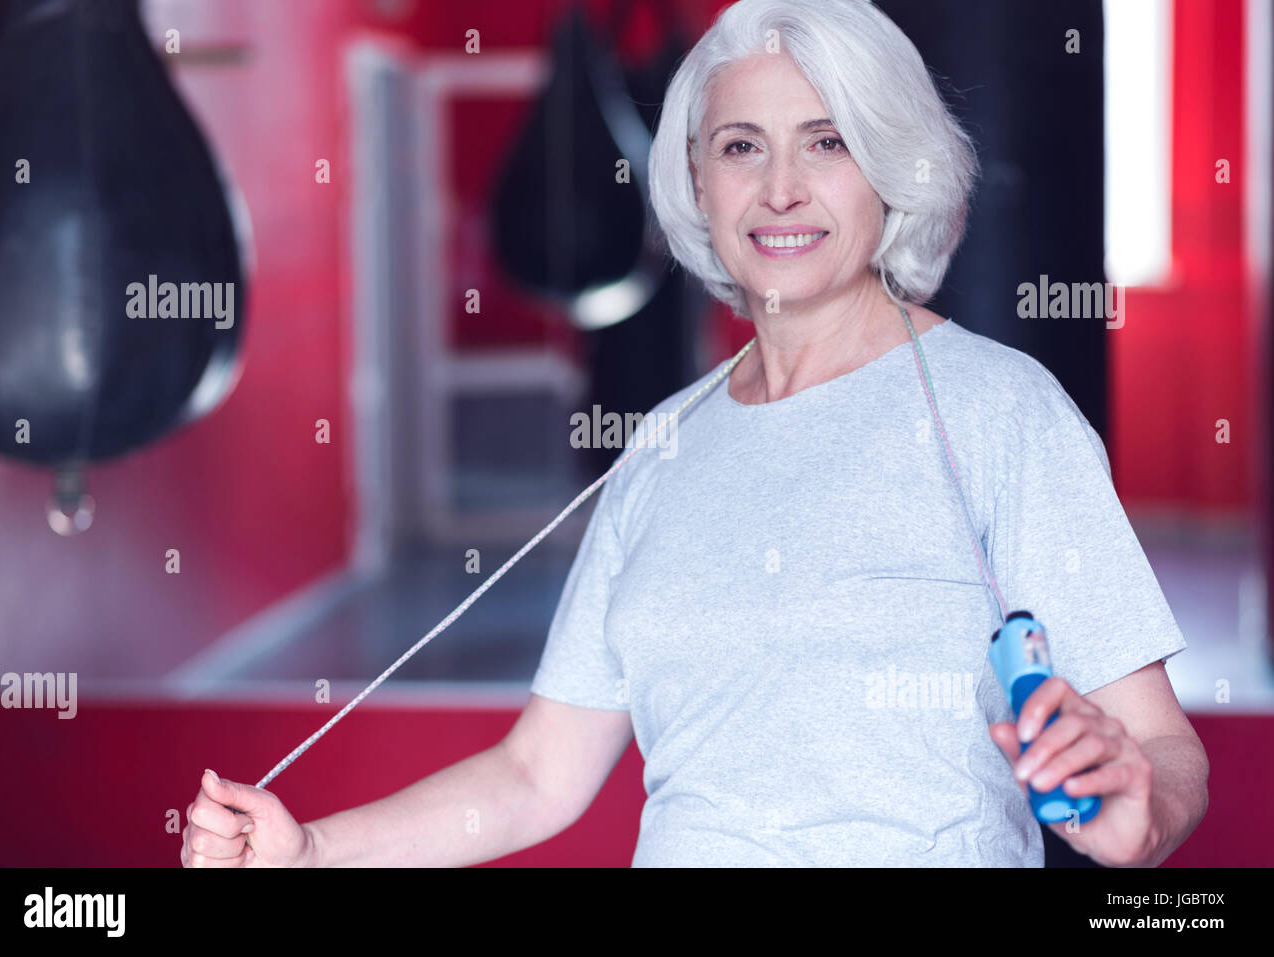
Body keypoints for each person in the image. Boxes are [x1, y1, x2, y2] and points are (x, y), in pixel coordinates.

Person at [181, 0, 1207, 868]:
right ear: (698, 183)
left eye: (828, 140)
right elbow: (537, 775)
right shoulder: (663, 446)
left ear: (890, 166)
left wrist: (1138, 807)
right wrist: (312, 851)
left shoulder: (1003, 413)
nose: (779, 190)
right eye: (740, 147)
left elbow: (1165, 750)